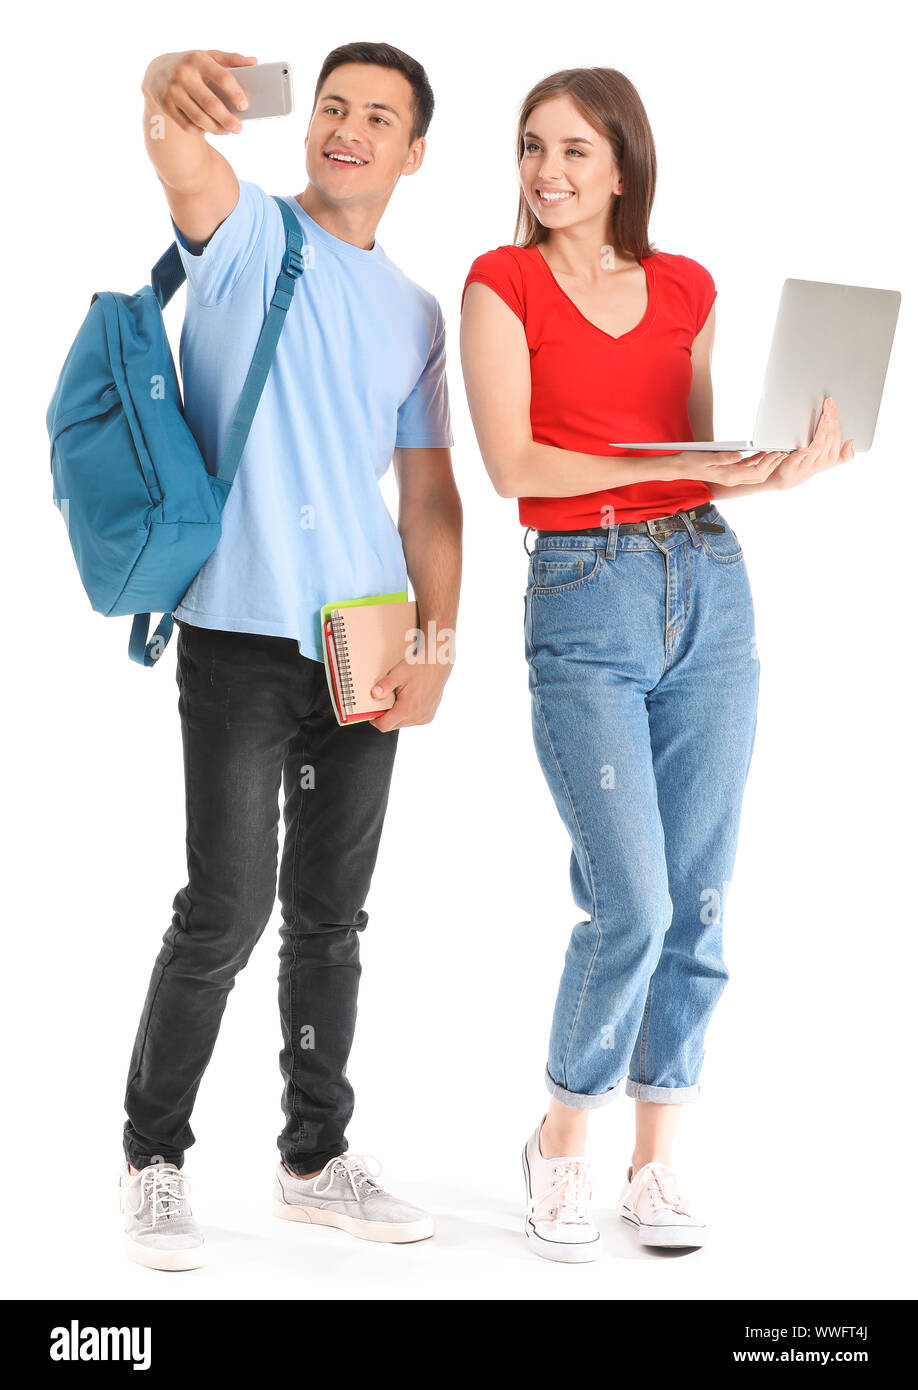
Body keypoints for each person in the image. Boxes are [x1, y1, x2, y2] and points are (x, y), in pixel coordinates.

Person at [460, 66, 853, 1263]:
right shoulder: (501, 281)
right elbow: (516, 464)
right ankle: (562, 1144)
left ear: (623, 164)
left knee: (703, 893)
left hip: (709, 586)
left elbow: (697, 453)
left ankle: (657, 1163)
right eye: (533, 148)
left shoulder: (687, 286)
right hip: (584, 591)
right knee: (628, 899)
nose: (548, 173)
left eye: (575, 150)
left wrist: (772, 469)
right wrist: (670, 466)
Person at [120, 41, 461, 1270]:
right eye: (330, 107)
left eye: (378, 116)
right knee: (226, 906)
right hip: (238, 635)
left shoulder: (417, 312)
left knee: (330, 917)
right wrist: (165, 78)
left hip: (361, 642)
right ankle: (153, 1154)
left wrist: (437, 640)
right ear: (306, 125)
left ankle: (314, 1157)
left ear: (414, 152)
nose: (347, 129)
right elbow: (177, 156)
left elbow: (429, 497)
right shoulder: (256, 234)